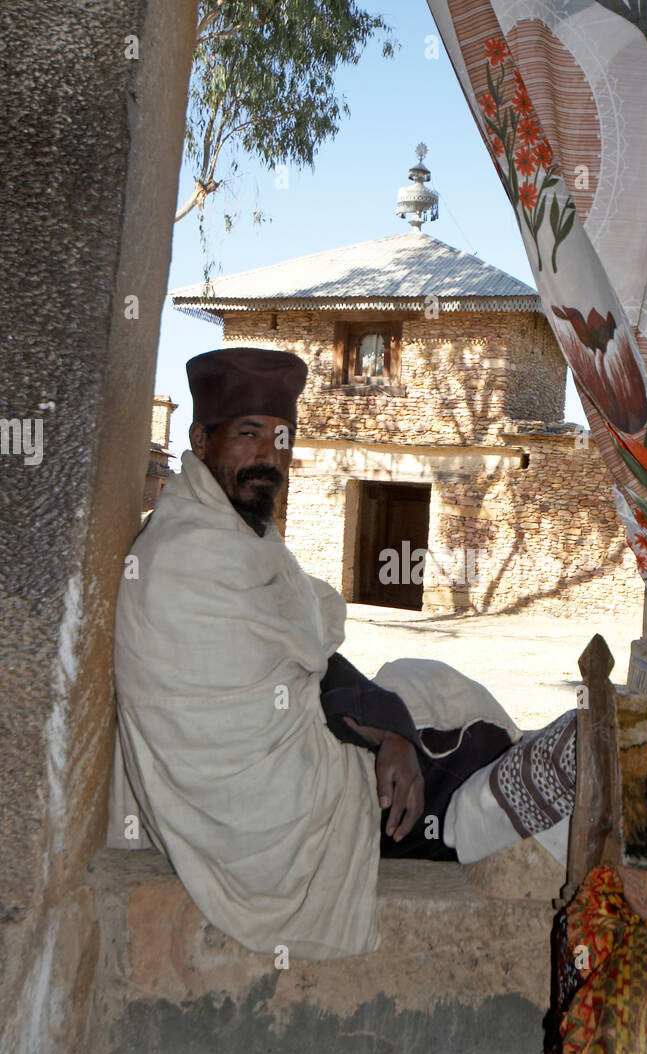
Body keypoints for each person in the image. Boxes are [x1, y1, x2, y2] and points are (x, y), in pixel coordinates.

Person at [110, 348, 576, 958]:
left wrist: (385, 727)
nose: (268, 457)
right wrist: (388, 735)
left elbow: (305, 656)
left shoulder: (220, 529)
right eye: (248, 435)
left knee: (422, 682)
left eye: (281, 438)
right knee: (468, 750)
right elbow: (305, 661)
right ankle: (489, 812)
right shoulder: (192, 555)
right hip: (280, 816)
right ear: (200, 438)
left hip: (281, 763)